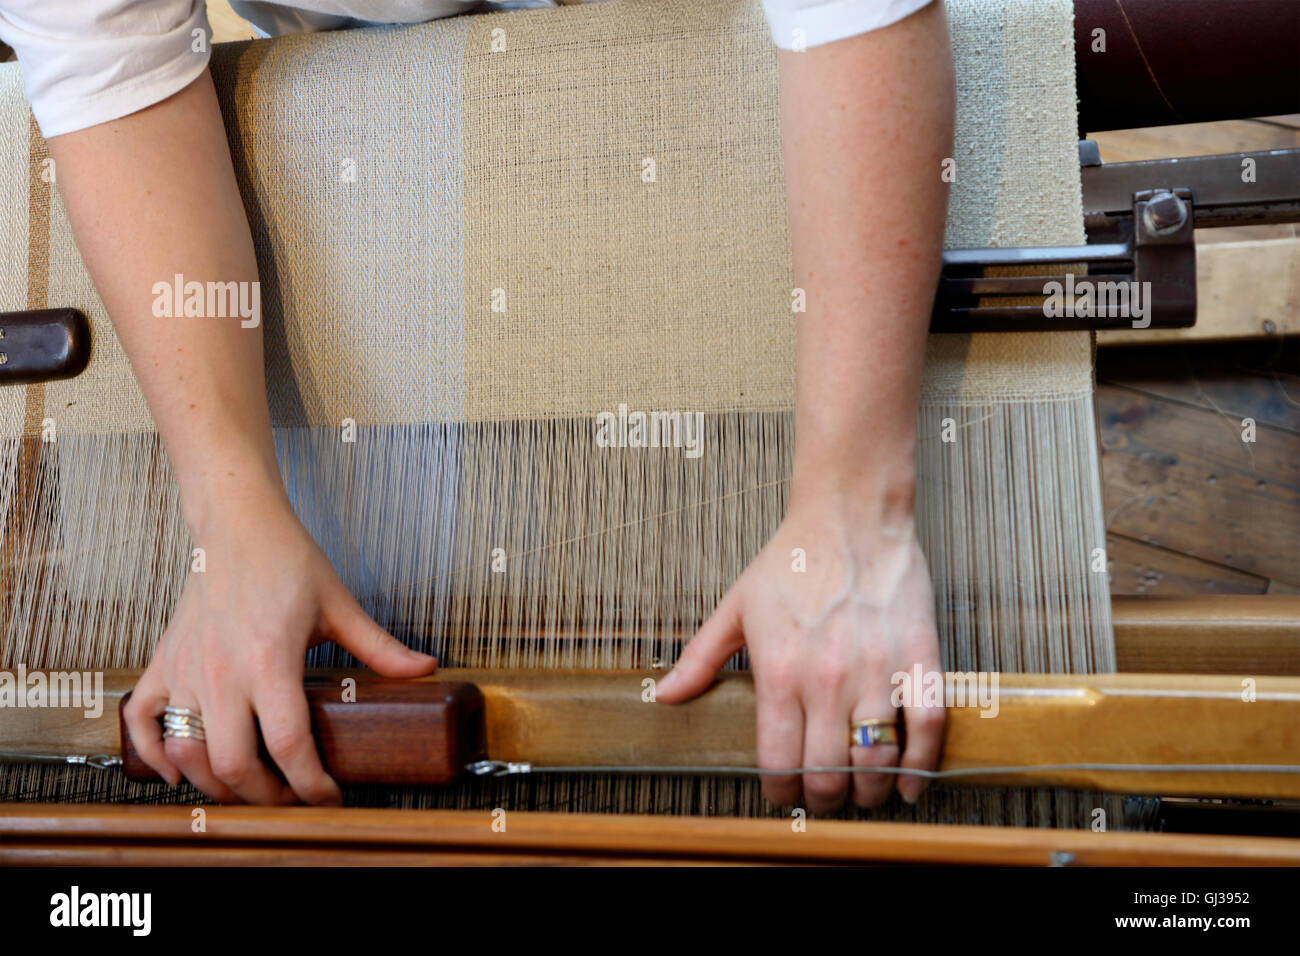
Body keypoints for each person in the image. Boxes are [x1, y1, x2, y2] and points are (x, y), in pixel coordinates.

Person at [0, 0, 955, 812]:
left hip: (735, 131)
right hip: (363, 176)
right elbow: (110, 62)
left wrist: (851, 508)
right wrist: (229, 520)